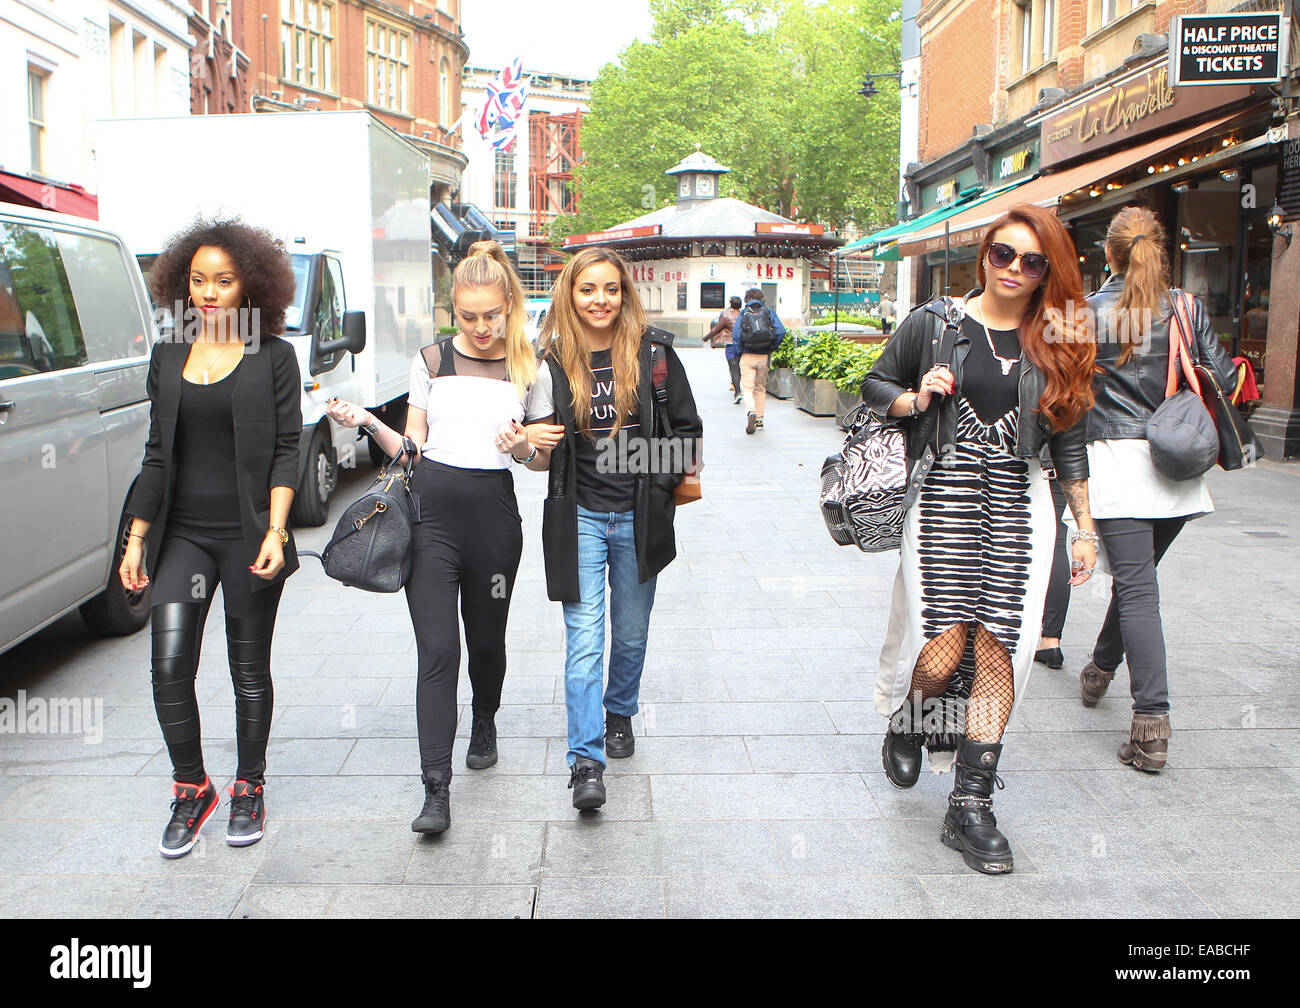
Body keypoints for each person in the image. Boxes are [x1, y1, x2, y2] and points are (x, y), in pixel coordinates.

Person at [862, 203, 1099, 875]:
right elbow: (875, 385)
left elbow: (1072, 442)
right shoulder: (934, 323)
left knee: (1001, 648)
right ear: (985, 254)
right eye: (1003, 254)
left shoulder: (1059, 336)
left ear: (1048, 271)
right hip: (942, 496)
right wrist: (917, 399)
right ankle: (913, 715)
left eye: (1031, 261)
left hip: (1022, 503)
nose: (1014, 270)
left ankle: (970, 804)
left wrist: (1085, 528)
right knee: (942, 650)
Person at [325, 241, 554, 834]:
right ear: (452, 309)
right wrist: (368, 421)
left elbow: (541, 461)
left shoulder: (531, 368)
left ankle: (485, 717)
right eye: (469, 316)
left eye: (491, 316)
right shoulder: (430, 361)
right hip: (429, 522)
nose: (481, 328)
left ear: (509, 305)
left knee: (486, 640)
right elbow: (412, 446)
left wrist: (522, 444)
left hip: (496, 525)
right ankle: (435, 789)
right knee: (438, 651)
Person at [119, 219, 301, 858]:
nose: (209, 292)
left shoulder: (273, 355)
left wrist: (277, 530)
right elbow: (156, 455)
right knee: (169, 667)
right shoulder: (168, 354)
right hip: (183, 537)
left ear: (249, 286)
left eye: (223, 280)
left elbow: (286, 450)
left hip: (250, 534)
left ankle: (248, 785)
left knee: (247, 668)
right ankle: (192, 788)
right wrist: (135, 539)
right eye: (198, 280)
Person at [526, 247, 703, 811]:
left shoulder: (653, 354)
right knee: (584, 640)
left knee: (629, 632)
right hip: (578, 515)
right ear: (570, 296)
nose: (599, 300)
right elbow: (534, 442)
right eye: (587, 289)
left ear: (624, 294)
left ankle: (619, 709)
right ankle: (585, 761)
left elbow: (688, 430)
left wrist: (654, 477)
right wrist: (526, 444)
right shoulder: (550, 359)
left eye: (610, 289)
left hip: (639, 516)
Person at [1076, 206, 1239, 772]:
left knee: (1137, 588)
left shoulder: (1089, 314)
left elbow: (1066, 398)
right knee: (1137, 582)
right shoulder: (1185, 308)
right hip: (1177, 466)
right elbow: (1228, 376)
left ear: (1109, 254)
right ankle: (1099, 667)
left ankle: (1151, 729)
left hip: (1118, 466)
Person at [732, 287, 786, 434]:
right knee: (760, 387)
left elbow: (736, 335)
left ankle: (750, 411)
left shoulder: (744, 313)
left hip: (748, 355)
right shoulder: (769, 312)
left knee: (747, 387)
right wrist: (773, 346)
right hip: (764, 356)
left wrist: (740, 351)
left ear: (746, 300)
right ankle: (759, 419)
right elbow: (781, 331)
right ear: (762, 299)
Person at [707, 295, 743, 404]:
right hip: (742, 344)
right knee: (741, 367)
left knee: (733, 368)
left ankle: (737, 391)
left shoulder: (725, 314)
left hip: (730, 344)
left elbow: (718, 328)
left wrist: (714, 341)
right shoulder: (744, 314)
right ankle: (739, 387)